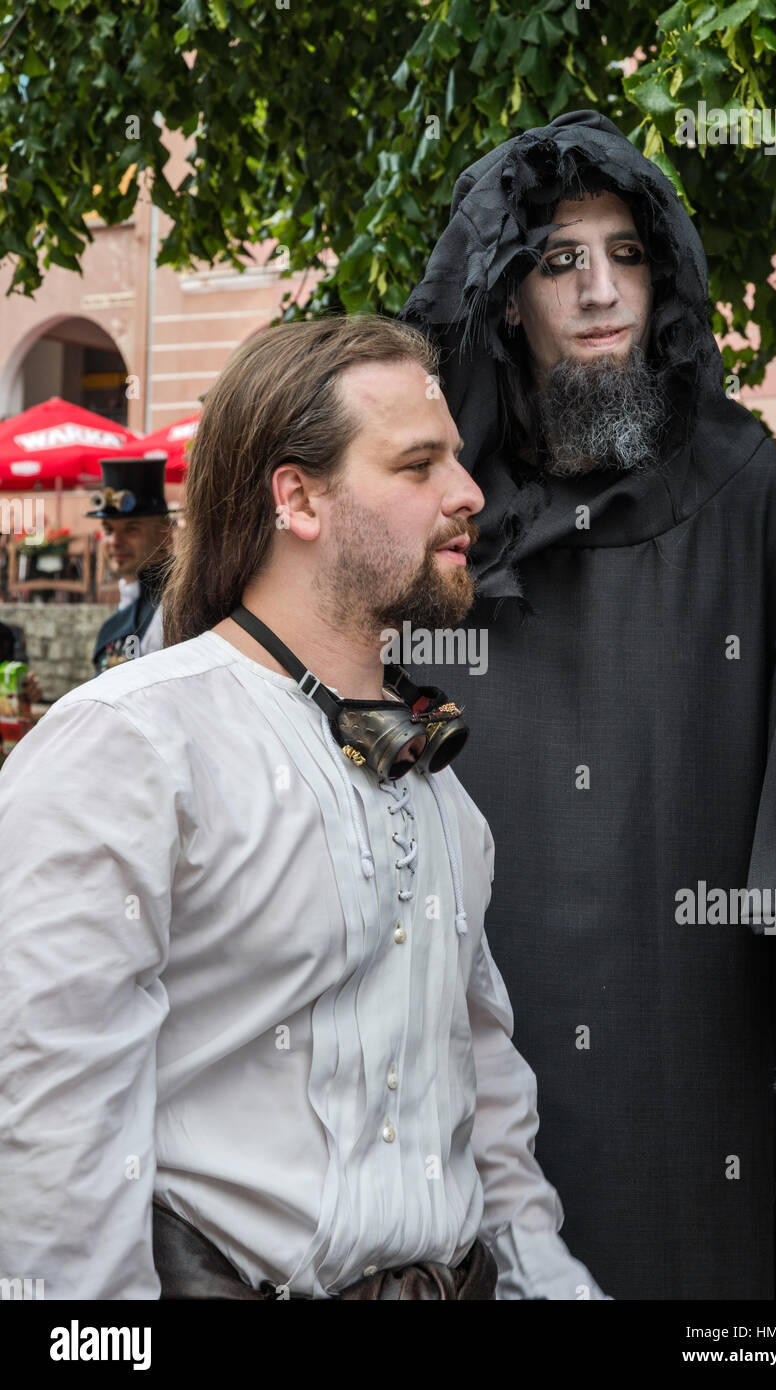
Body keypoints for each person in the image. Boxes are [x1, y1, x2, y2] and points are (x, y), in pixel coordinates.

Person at [0, 314, 606, 1301]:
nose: (468, 495)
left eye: (456, 459)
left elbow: (481, 1093)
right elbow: (50, 1139)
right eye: (418, 465)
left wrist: (553, 1284)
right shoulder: (132, 744)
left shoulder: (442, 790)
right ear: (300, 499)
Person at [399, 108, 776, 1299]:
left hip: (699, 1052)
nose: (602, 291)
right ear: (509, 298)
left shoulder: (756, 492)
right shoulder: (435, 520)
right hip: (467, 1056)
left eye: (627, 255)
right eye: (561, 263)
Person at [87, 456, 173, 673]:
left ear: (165, 535)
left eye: (131, 529)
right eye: (108, 529)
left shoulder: (180, 602)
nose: (115, 541)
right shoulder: (125, 608)